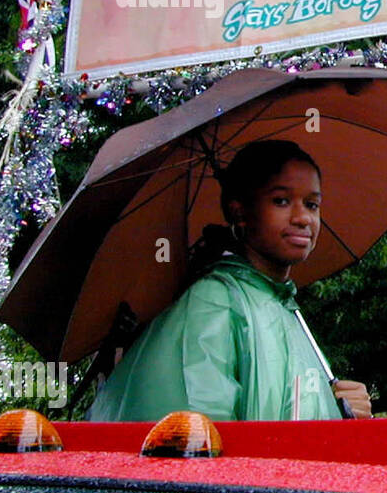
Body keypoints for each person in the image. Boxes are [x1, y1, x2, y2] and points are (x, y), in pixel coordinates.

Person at [89, 140, 371, 422]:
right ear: (239, 212)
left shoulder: (285, 308)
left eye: (312, 204)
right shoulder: (214, 302)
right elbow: (198, 436)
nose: (302, 218)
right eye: (281, 201)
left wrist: (342, 411)